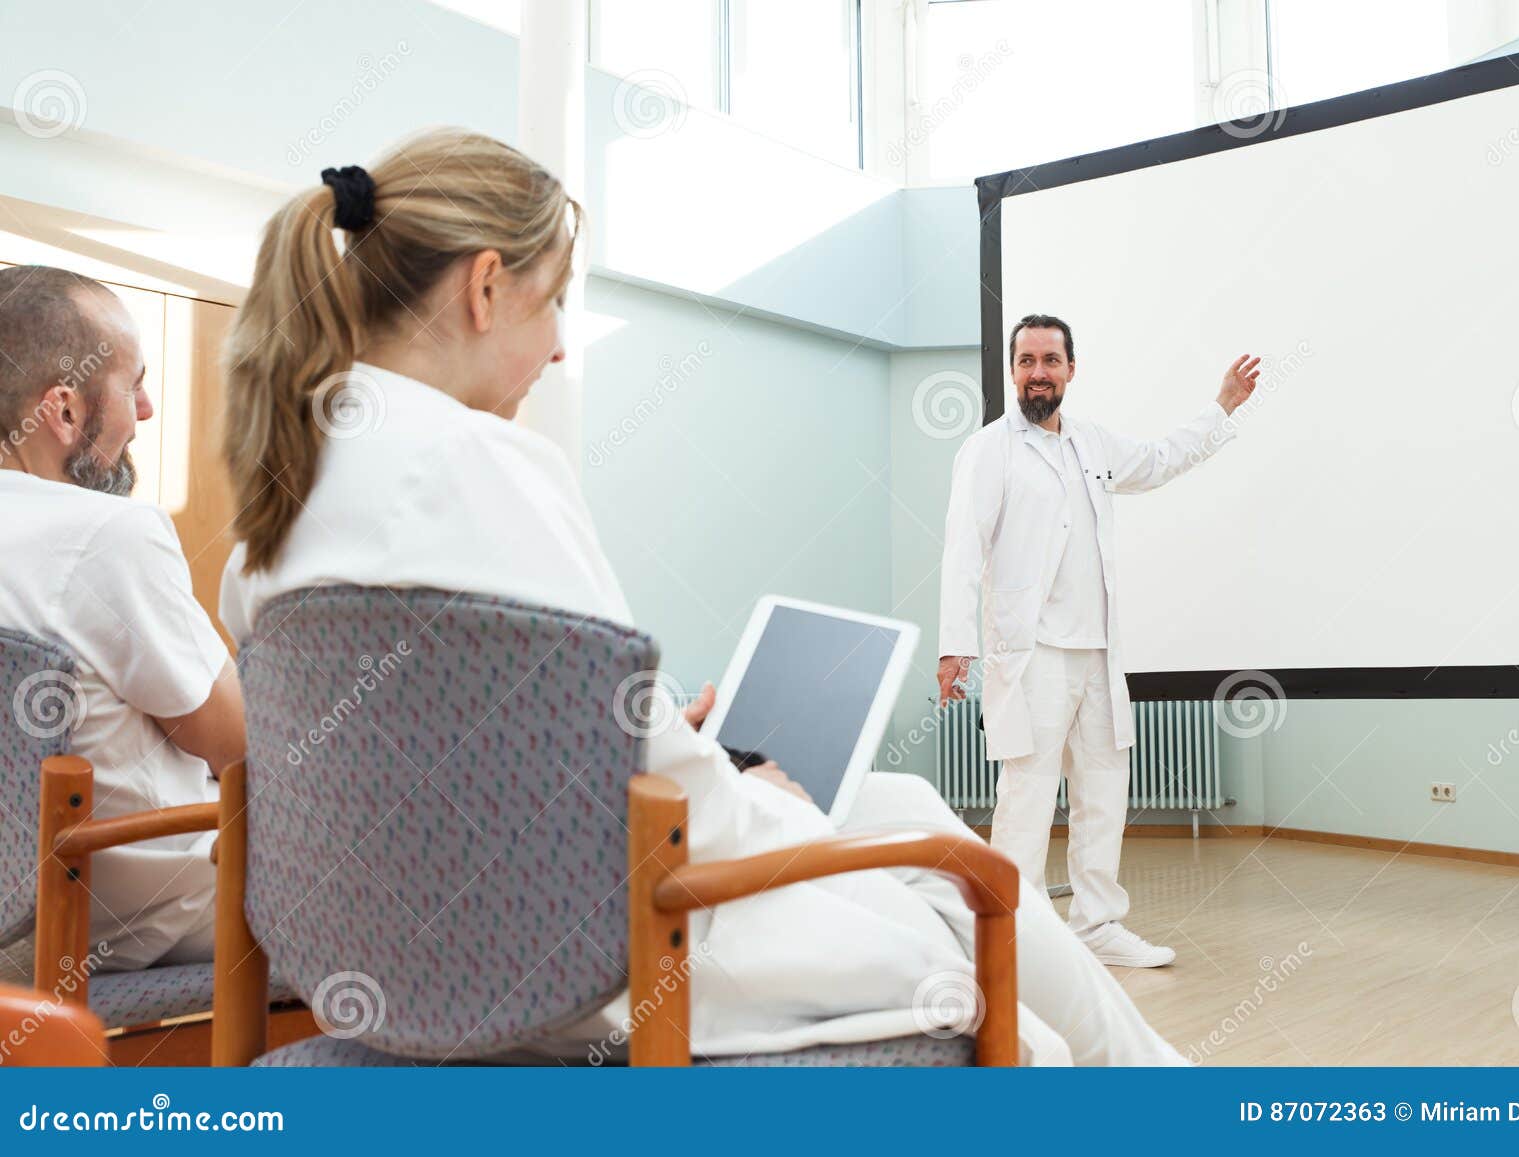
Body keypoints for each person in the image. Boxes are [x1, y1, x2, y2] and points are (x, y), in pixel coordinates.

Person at [217, 129, 1186, 1065]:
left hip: (419, 941)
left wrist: (631, 738)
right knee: (972, 930)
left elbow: (450, 747)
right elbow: (688, 818)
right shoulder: (488, 462)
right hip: (606, 959)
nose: (558, 350)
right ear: (485, 287)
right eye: (553, 303)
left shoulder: (274, 510)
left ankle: (1159, 1079)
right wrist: (754, 789)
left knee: (900, 798)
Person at [938, 314, 1259, 969]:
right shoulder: (988, 450)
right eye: (1026, 360)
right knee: (1025, 798)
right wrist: (954, 644)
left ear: (1070, 369)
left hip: (1099, 654)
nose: (1037, 372)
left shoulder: (1092, 443)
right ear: (1012, 370)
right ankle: (1015, 934)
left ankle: (1097, 925)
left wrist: (1221, 407)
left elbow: (1161, 459)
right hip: (1032, 658)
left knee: (1103, 793)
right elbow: (962, 550)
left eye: (1050, 360)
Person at [0, 265, 243, 985]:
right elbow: (237, 747)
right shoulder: (110, 529)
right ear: (66, 411)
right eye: (132, 382)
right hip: (114, 910)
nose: (146, 407)